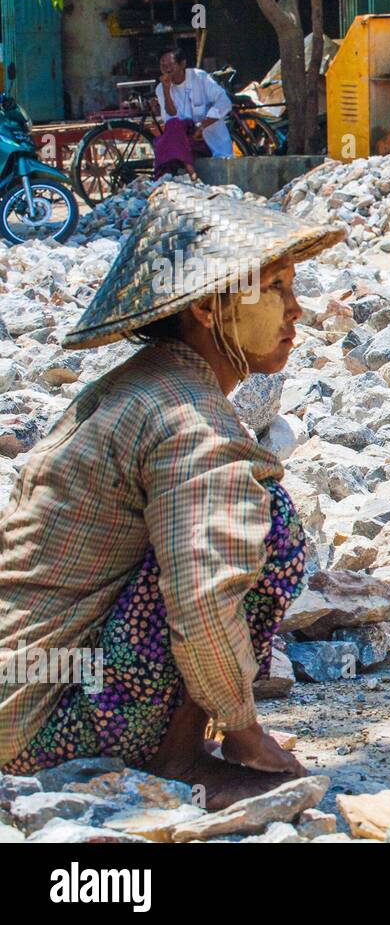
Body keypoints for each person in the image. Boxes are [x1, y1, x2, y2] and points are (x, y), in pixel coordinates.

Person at [0, 183, 343, 808]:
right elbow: (201, 594)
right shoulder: (190, 420)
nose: (297, 310)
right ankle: (177, 757)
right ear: (208, 309)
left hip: (20, 680)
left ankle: (176, 740)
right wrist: (243, 730)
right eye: (275, 288)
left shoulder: (142, 384)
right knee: (271, 529)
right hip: (33, 721)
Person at [154, 45, 234, 179]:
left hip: (208, 139)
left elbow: (224, 102)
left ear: (182, 64)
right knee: (173, 126)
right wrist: (166, 91)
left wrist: (203, 126)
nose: (167, 69)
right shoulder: (161, 88)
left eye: (171, 65)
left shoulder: (200, 78)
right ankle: (189, 170)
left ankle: (185, 171)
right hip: (185, 142)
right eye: (163, 66)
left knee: (170, 138)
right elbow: (170, 118)